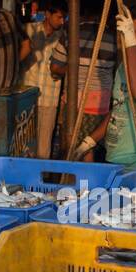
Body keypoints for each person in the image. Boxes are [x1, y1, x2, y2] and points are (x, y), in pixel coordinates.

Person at [72, 5, 136, 172]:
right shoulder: (122, 68)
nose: (127, 38)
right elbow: (119, 107)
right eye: (126, 32)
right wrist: (90, 141)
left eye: (135, 32)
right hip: (114, 160)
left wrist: (130, 39)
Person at [51, 9, 118, 160]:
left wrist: (73, 67)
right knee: (89, 147)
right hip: (101, 102)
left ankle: (79, 183)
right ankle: (86, 183)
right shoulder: (114, 37)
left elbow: (55, 68)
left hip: (75, 100)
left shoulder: (71, 34)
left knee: (72, 147)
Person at [18, 0, 67, 158]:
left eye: (63, 18)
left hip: (49, 99)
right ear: (47, 14)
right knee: (23, 144)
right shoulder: (29, 31)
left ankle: (40, 180)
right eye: (58, 17)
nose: (61, 21)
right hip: (26, 98)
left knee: (43, 148)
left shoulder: (64, 38)